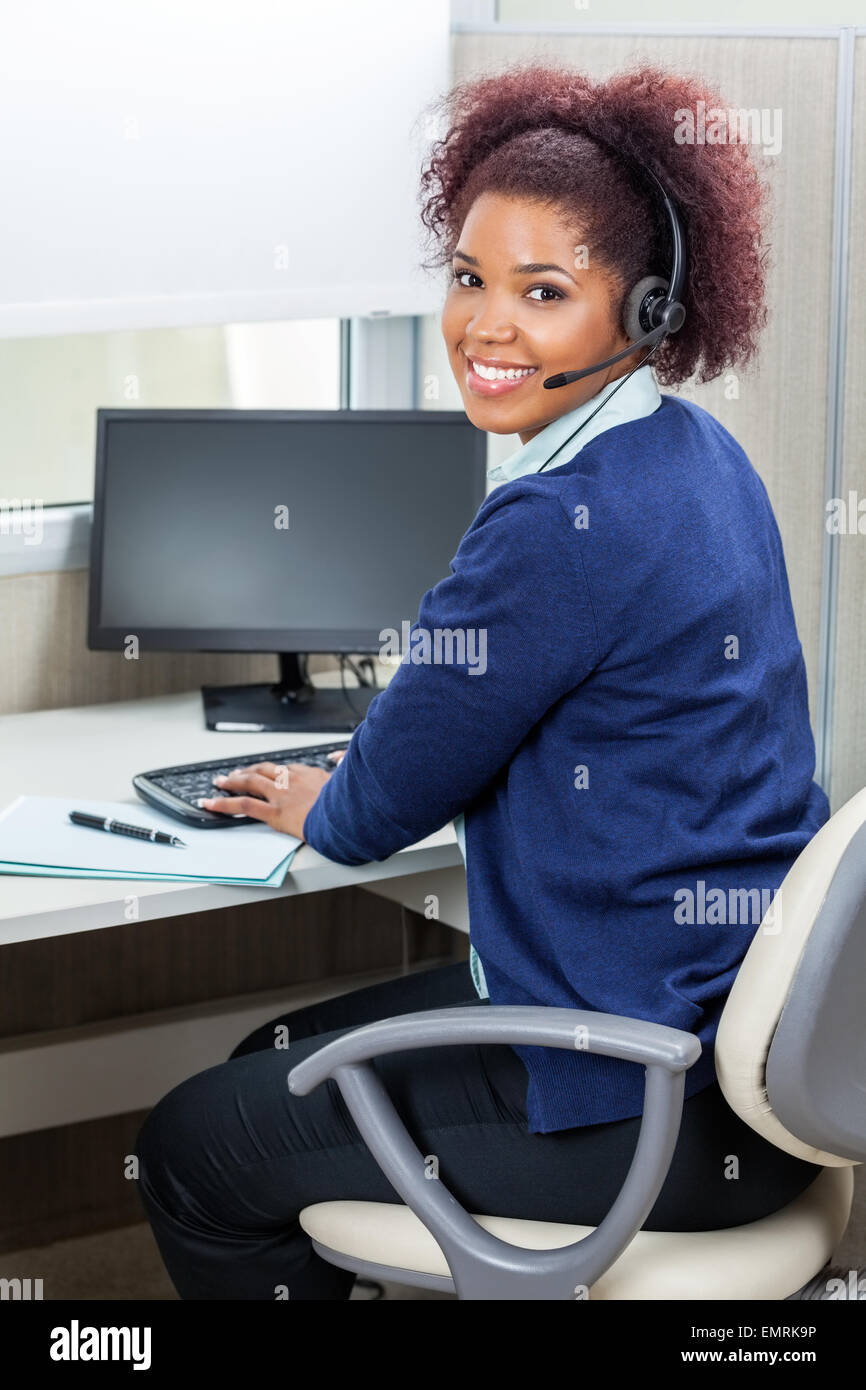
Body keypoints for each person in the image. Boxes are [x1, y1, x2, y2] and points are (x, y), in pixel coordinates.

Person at [135, 62, 829, 1300]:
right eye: (467, 277)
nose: (484, 325)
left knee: (191, 1148)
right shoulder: (697, 455)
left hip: (628, 1102)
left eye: (542, 291)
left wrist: (319, 793)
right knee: (271, 1055)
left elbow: (368, 818)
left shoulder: (556, 524)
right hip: (737, 1061)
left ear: (649, 308)